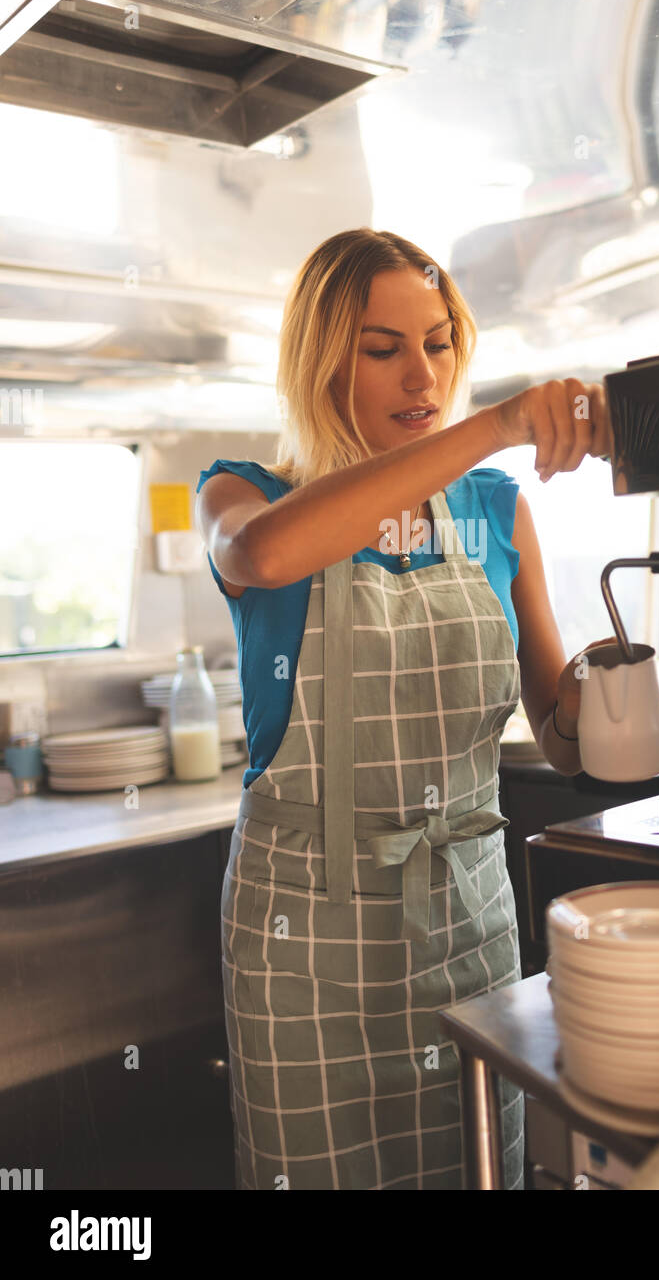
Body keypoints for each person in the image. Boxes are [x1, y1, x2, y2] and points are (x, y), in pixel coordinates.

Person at [195, 228, 612, 1190]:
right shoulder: (242, 496)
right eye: (383, 349)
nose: (421, 376)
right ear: (320, 359)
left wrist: (606, 693)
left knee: (476, 1167)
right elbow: (262, 559)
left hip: (469, 914)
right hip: (304, 938)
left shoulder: (497, 509)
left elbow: (560, 734)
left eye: (437, 344)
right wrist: (498, 421)